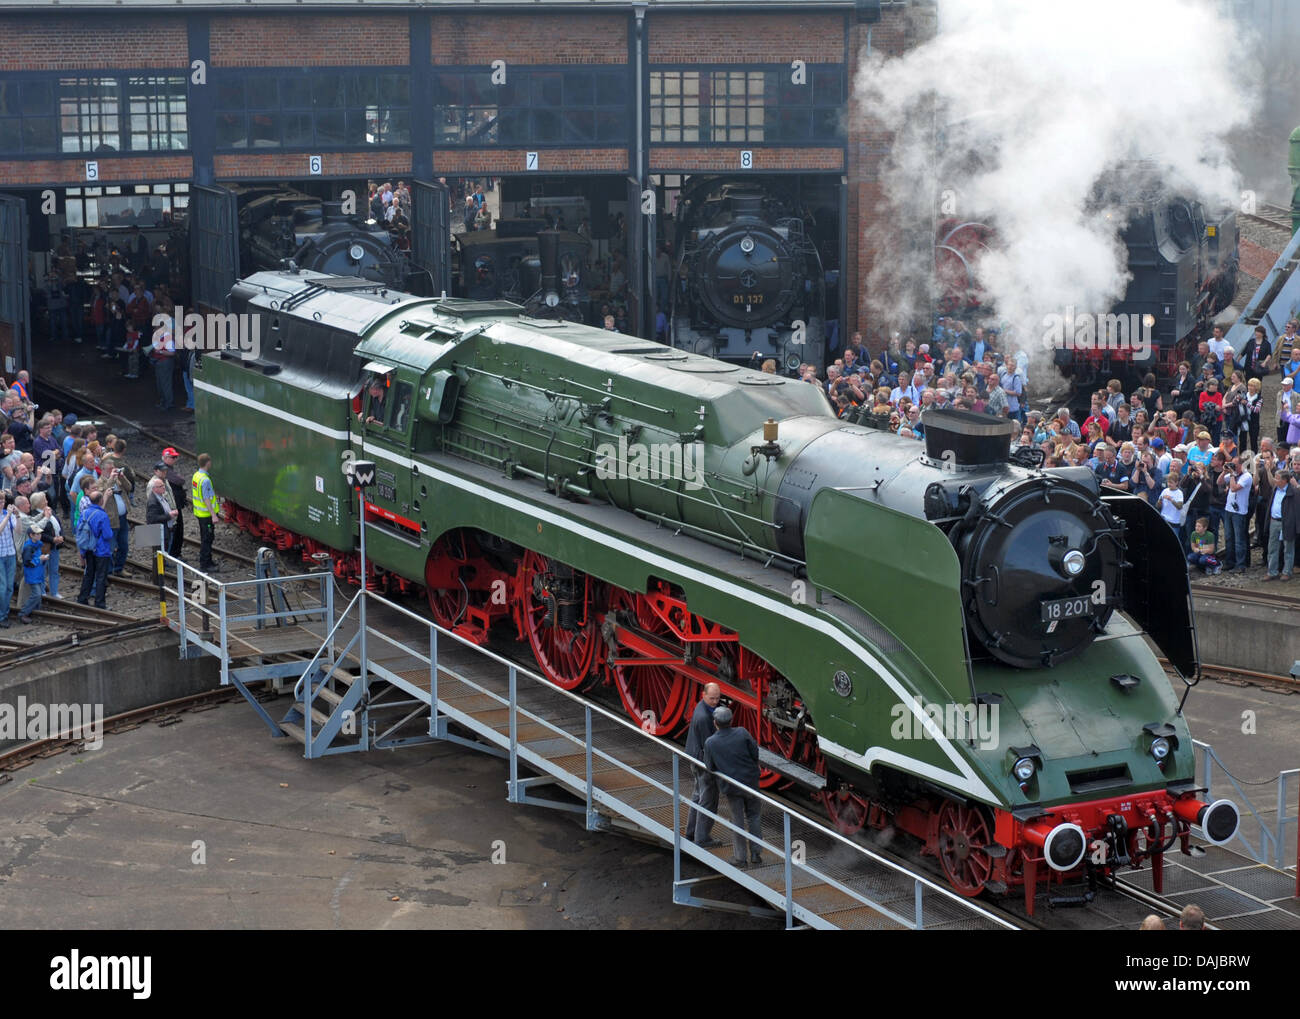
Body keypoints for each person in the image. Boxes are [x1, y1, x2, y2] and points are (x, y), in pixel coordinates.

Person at [703, 705, 763, 869]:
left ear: (715, 722)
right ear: (731, 720)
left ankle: (740, 858)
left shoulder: (711, 743)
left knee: (737, 820)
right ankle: (756, 853)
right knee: (754, 816)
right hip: (751, 782)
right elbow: (754, 752)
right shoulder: (742, 732)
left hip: (732, 787)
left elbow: (709, 766)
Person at [684, 683, 721, 847]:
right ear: (703, 695)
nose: (715, 702)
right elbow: (709, 746)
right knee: (708, 799)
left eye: (717, 698)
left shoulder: (702, 708)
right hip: (702, 762)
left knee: (698, 795)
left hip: (695, 757)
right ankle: (701, 838)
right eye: (712, 698)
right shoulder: (705, 717)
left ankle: (691, 833)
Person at [76, 490, 113, 609]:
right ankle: (100, 602)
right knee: (101, 576)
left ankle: (82, 598)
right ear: (101, 500)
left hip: (88, 549)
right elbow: (107, 535)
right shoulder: (102, 515)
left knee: (89, 574)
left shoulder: (85, 513)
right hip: (101, 550)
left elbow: (79, 530)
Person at [1264, 468, 1297, 581]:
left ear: (1284, 481)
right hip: (1274, 521)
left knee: (1288, 548)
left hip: (1286, 523)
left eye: (1277, 478)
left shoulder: (1293, 492)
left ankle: (1287, 572)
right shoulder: (1275, 490)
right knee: (1272, 547)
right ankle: (1272, 571)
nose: (1275, 480)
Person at [191, 452, 221, 572]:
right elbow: (206, 498)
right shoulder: (205, 480)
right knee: (207, 539)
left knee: (205, 537)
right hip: (206, 515)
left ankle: (207, 560)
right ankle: (205, 564)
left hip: (200, 514)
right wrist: (214, 515)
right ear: (208, 463)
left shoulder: (196, 476)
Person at [1223, 456, 1252, 573]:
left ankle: (1240, 565)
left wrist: (1231, 474)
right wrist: (1225, 471)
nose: (1233, 467)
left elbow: (1234, 488)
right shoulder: (1233, 474)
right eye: (1232, 464)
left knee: (1239, 539)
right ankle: (1230, 562)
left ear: (1241, 465)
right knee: (1229, 537)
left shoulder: (1247, 476)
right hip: (1228, 509)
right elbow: (1219, 482)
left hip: (1239, 512)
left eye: (1235, 465)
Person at [161, 448, 188, 561]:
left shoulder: (168, 468)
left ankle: (175, 553)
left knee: (177, 529)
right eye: (173, 457)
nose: (175, 459)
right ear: (166, 458)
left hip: (175, 503)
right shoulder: (166, 470)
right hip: (172, 505)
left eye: (175, 457)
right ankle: (174, 554)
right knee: (176, 529)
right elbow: (179, 480)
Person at [17, 524, 47, 624]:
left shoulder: (37, 544)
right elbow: (27, 562)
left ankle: (36, 611)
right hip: (32, 575)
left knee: (37, 594)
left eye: (39, 534)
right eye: (37, 534)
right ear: (31, 535)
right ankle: (23, 613)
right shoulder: (29, 547)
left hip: (37, 574)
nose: (39, 535)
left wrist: (42, 559)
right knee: (37, 594)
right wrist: (40, 559)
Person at [0, 491, 19, 628]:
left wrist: (17, 516)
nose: (1, 503)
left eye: (2, 501)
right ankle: (2, 615)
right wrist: (7, 516)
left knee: (9, 587)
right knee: (2, 587)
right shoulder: (5, 515)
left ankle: (4, 613)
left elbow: (18, 530)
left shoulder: (7, 514)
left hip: (10, 553)